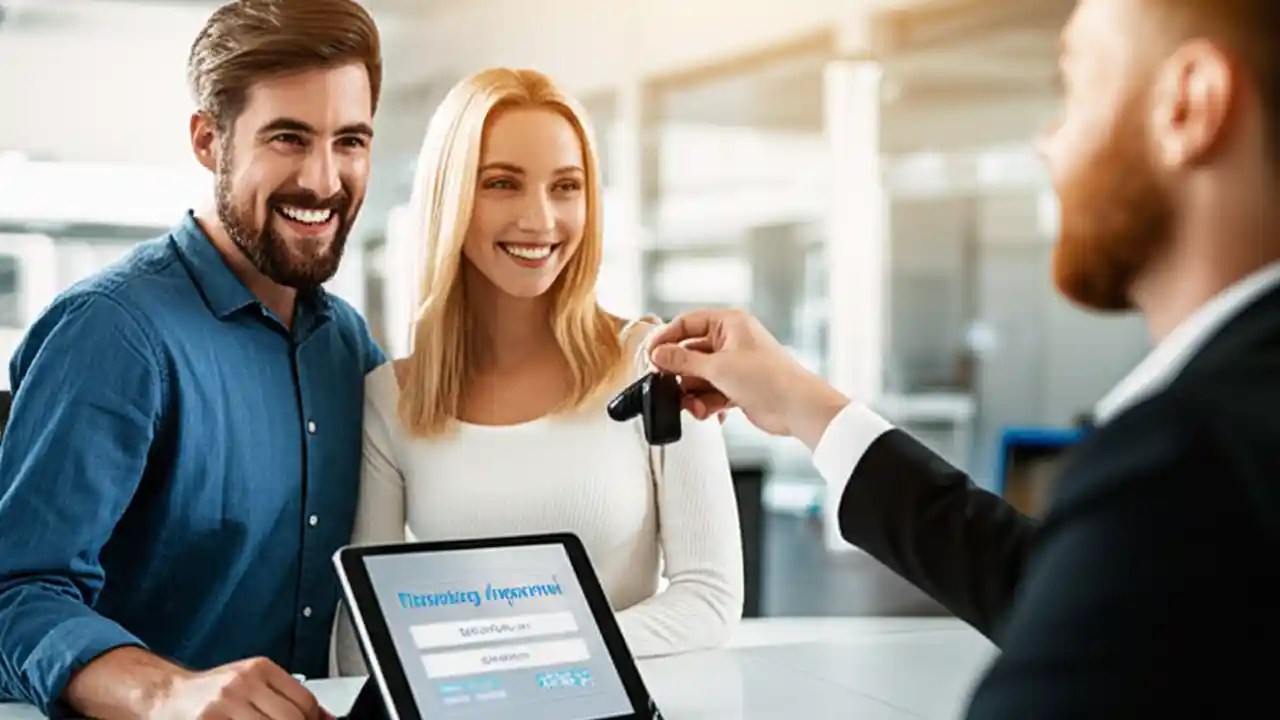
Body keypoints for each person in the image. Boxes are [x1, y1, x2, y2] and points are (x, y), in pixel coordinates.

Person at [646, 0, 1280, 715]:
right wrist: (800, 401)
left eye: (1075, 86)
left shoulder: (1188, 464)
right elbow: (1046, 588)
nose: (1048, 142)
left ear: (1188, 106)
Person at [0, 1, 385, 717]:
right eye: (289, 138)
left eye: (351, 141)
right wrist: (168, 690)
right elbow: (14, 592)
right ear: (210, 141)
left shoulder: (346, 345)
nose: (325, 179)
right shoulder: (112, 333)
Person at [332, 67, 743, 674]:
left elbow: (709, 599)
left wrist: (531, 658)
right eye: (502, 183)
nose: (541, 220)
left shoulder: (656, 366)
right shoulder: (391, 398)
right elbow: (364, 634)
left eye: (566, 187)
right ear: (452, 198)